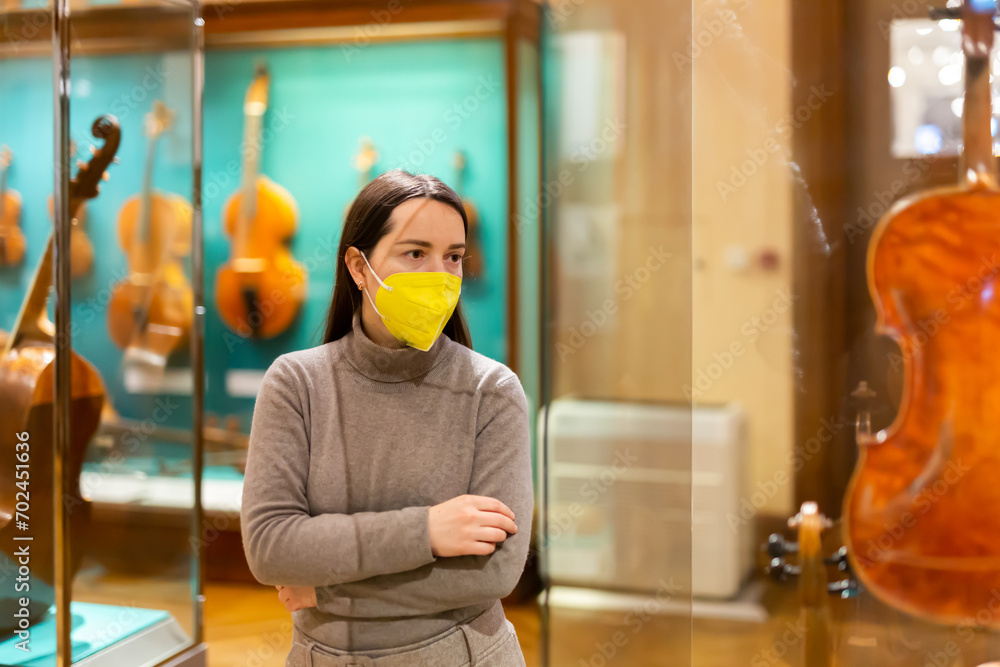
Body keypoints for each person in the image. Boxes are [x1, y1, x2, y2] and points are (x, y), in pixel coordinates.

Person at [240, 169, 533, 666]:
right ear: (358, 266)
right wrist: (429, 531)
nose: (440, 274)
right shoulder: (296, 383)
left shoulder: (492, 391)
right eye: (415, 253)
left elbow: (494, 573)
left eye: (454, 257)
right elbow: (271, 547)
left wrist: (328, 588)